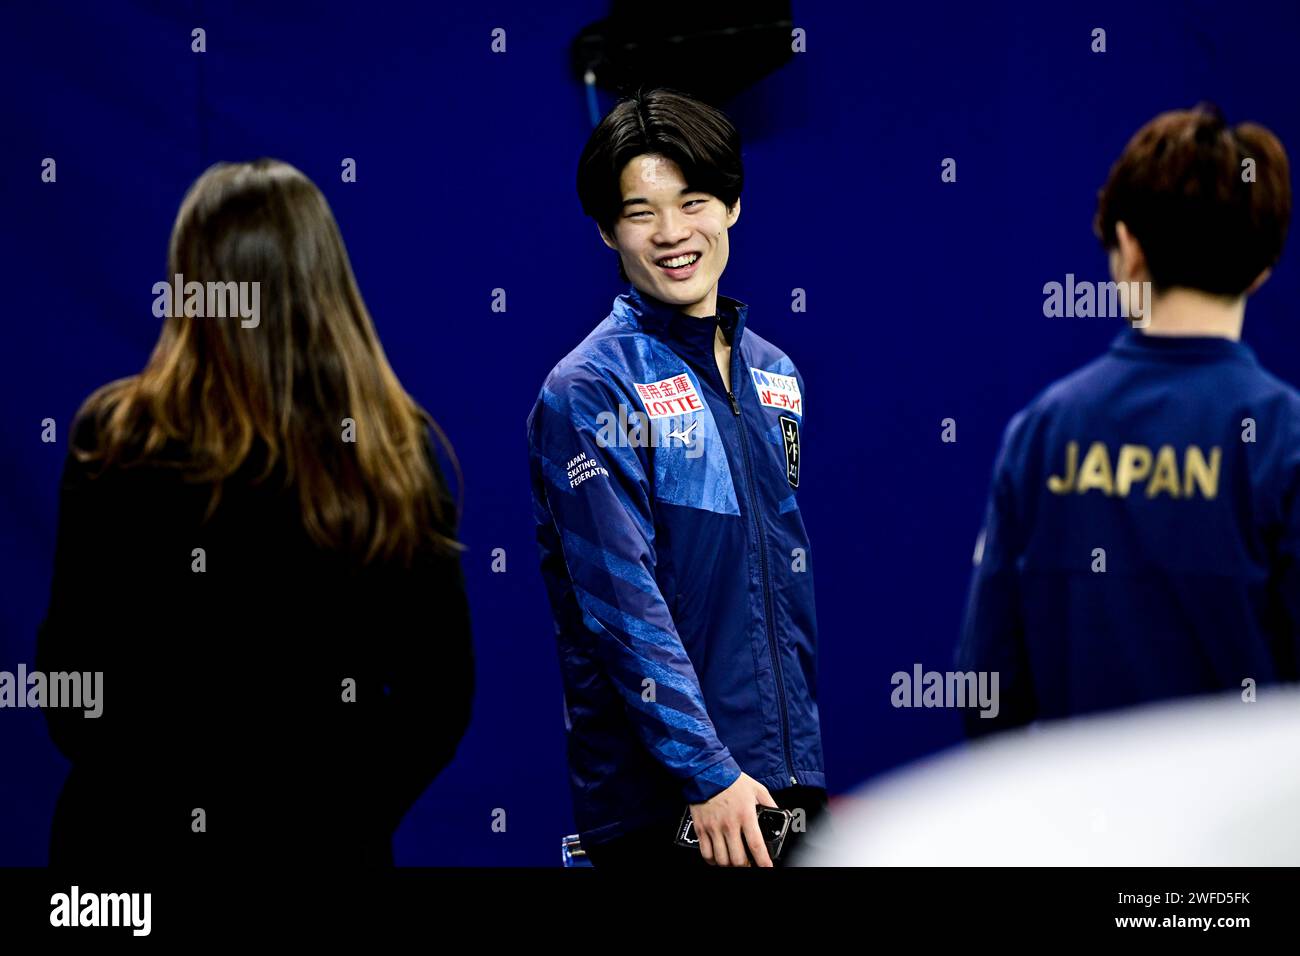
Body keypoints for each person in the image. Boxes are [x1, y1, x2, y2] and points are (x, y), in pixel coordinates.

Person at [36, 159, 474, 867]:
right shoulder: (391, 451)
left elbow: (68, 679)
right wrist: (329, 824)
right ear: (322, 278)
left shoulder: (116, 436)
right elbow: (440, 701)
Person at [527, 88, 829, 868]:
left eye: (693, 201)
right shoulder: (591, 388)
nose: (672, 234)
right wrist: (707, 770)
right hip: (671, 806)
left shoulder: (775, 374)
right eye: (640, 212)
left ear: (732, 205)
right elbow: (622, 606)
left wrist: (793, 775)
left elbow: (772, 594)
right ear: (605, 230)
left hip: (781, 789)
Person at [956, 105, 1298, 737]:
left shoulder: (1042, 432)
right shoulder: (1285, 438)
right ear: (1263, 267)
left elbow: (988, 691)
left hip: (1082, 833)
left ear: (1129, 249)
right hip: (1251, 835)